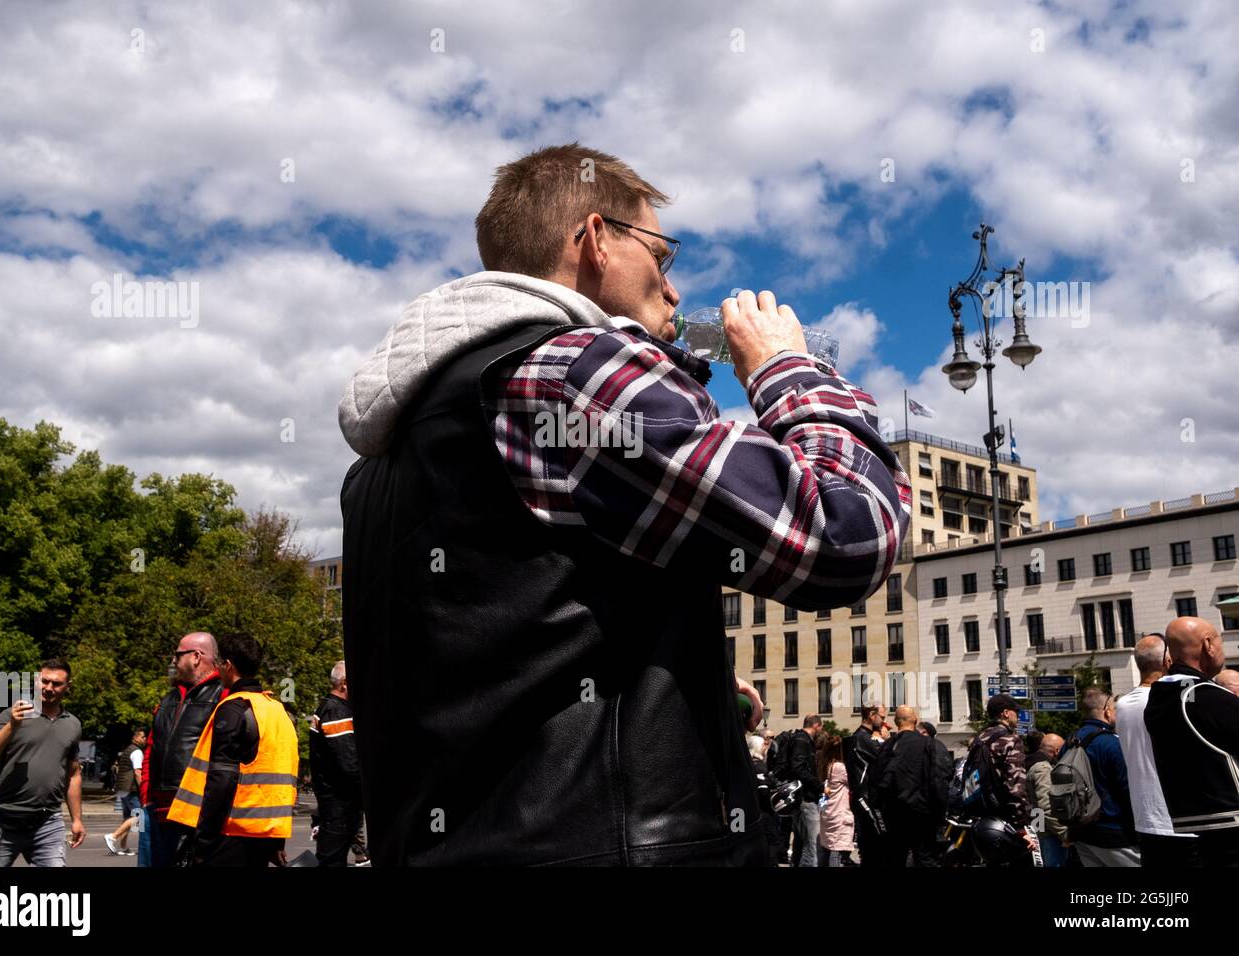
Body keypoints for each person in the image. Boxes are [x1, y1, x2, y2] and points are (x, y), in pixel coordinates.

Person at [337, 144, 911, 865]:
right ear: (597, 237)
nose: (673, 291)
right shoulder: (573, 369)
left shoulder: (381, 458)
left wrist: (673, 669)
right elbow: (846, 533)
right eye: (662, 256)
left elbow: (512, 645)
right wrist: (788, 371)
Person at [168, 632, 299, 867]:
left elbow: (222, 780)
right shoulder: (279, 712)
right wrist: (277, 841)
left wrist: (204, 839)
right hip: (265, 834)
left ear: (228, 665)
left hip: (232, 832)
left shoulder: (233, 709)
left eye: (220, 664)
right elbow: (285, 782)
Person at [1145, 616, 1239, 865]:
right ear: (1208, 644)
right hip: (1232, 827)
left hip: (1196, 826)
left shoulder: (1159, 699)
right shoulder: (1208, 698)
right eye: (1218, 640)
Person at [0, 660, 86, 867]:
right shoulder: (13, 714)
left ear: (68, 686)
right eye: (44, 681)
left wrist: (77, 819)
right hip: (7, 819)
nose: (49, 688)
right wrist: (11, 726)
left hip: (48, 821)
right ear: (36, 681)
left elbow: (73, 774)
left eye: (56, 684)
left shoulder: (73, 724)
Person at [141, 631, 227, 867]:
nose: (173, 661)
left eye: (178, 655)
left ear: (197, 656)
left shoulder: (224, 695)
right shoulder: (169, 698)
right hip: (156, 808)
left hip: (195, 811)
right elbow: (151, 747)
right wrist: (146, 796)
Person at [1116, 634, 1195, 867]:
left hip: (1145, 819)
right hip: (1182, 820)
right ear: (1167, 662)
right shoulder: (1176, 700)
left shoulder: (1122, 705)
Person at [1059, 689, 1140, 866]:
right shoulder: (1111, 743)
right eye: (1115, 709)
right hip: (1115, 833)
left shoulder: (1070, 742)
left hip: (1081, 832)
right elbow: (1127, 788)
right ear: (1107, 711)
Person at [964, 694, 1039, 859]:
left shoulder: (979, 739)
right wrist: (1022, 827)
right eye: (1015, 712)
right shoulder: (1010, 739)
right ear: (1006, 713)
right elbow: (1016, 786)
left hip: (984, 819)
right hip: (1007, 820)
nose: (1018, 717)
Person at [872, 706, 946, 866]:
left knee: (896, 858)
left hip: (894, 814)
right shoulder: (927, 744)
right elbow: (936, 779)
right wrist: (940, 811)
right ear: (915, 720)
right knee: (924, 858)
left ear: (897, 722)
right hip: (922, 813)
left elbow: (876, 781)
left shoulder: (887, 746)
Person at [309, 660, 364, 866]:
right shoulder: (336, 711)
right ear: (345, 683)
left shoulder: (330, 708)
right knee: (331, 860)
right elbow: (349, 764)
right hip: (339, 805)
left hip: (335, 805)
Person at [773, 715, 825, 867]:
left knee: (800, 844)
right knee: (812, 845)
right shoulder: (803, 741)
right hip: (805, 799)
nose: (821, 730)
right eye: (821, 727)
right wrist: (820, 786)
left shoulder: (797, 739)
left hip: (799, 798)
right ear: (816, 725)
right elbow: (799, 768)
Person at [843, 705, 889, 866]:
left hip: (865, 797)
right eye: (882, 717)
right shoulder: (862, 738)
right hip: (865, 797)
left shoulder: (863, 737)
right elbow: (885, 758)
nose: (884, 721)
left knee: (869, 845)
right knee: (878, 840)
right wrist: (886, 740)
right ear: (871, 715)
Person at [1024, 733, 1069, 867]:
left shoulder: (1029, 761)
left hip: (1038, 827)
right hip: (1048, 833)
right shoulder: (1042, 768)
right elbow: (1047, 806)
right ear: (1057, 750)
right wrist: (1064, 833)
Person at [104, 727, 146, 856]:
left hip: (122, 788)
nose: (145, 739)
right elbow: (138, 772)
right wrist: (143, 788)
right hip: (131, 788)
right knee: (139, 817)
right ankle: (113, 836)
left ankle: (123, 846)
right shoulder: (137, 752)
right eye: (143, 737)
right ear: (135, 738)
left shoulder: (127, 750)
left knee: (128, 818)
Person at [817, 734, 855, 866]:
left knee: (827, 847)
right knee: (837, 851)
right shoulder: (839, 767)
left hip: (828, 811)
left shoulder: (825, 765)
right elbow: (854, 781)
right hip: (839, 812)